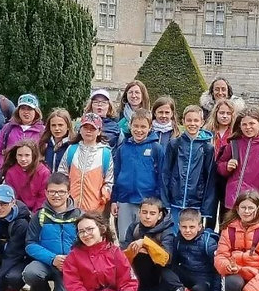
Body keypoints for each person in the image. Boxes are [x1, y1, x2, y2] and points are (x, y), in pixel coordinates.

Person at [59, 213, 146, 291]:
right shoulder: (73, 256)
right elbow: (73, 286)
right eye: (81, 231)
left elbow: (128, 279)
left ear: (102, 229)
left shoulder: (115, 252)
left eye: (90, 229)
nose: (85, 234)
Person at [23, 172, 83, 291]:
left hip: (71, 264)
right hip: (47, 263)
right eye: (52, 191)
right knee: (30, 272)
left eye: (61, 192)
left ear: (68, 193)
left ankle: (61, 290)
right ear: (45, 192)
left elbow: (88, 243)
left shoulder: (79, 215)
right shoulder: (39, 216)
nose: (56, 195)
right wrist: (53, 258)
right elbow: (30, 244)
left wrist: (71, 259)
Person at [217, 106, 259, 226]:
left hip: (253, 204)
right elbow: (219, 166)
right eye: (244, 124)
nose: (248, 127)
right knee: (229, 236)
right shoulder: (234, 144)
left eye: (251, 123)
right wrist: (226, 167)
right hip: (231, 202)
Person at [113, 109, 166, 245]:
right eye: (136, 126)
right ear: (130, 126)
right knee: (125, 238)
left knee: (145, 239)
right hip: (124, 200)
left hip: (147, 201)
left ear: (150, 128)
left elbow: (161, 176)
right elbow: (116, 173)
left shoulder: (156, 148)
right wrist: (114, 199)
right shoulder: (123, 148)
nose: (139, 130)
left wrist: (158, 200)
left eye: (143, 127)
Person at [162, 105, 217, 226]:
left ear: (202, 122)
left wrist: (206, 207)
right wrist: (166, 201)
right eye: (189, 120)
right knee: (174, 236)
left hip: (195, 203)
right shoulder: (174, 144)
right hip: (175, 201)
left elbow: (209, 179)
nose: (192, 123)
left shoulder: (207, 148)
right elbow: (165, 173)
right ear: (183, 121)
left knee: (191, 235)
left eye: (196, 120)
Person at [160, 209, 223, 291]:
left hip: (203, 278)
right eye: (184, 227)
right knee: (164, 270)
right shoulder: (177, 240)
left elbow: (218, 270)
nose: (187, 230)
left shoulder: (208, 242)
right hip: (185, 274)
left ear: (199, 226)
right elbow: (173, 264)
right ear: (179, 226)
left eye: (192, 227)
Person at [58, 112, 114, 214]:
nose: (88, 131)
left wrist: (105, 193)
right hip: (70, 208)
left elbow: (109, 180)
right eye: (85, 127)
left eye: (92, 128)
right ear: (80, 130)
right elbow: (62, 174)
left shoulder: (105, 153)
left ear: (99, 131)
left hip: (94, 210)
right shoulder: (72, 149)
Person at [124, 198, 175, 291]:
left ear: (159, 215)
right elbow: (123, 257)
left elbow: (167, 259)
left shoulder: (166, 231)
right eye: (144, 212)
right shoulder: (134, 228)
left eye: (152, 213)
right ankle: (135, 287)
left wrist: (145, 243)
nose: (147, 217)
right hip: (138, 271)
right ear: (139, 213)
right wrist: (134, 250)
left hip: (158, 273)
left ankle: (159, 290)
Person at [0, 94, 45, 173]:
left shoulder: (42, 131)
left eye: (29, 109)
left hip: (34, 175)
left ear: (36, 111)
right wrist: (3, 167)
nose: (26, 112)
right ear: (18, 110)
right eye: (23, 108)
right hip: (10, 174)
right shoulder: (8, 128)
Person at [2, 139, 51, 214]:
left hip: (39, 211)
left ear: (33, 156)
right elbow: (11, 196)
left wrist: (34, 214)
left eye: (27, 155)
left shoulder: (44, 172)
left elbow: (43, 197)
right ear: (15, 156)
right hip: (18, 211)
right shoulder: (11, 172)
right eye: (20, 155)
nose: (23, 159)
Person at [41, 108, 73, 172]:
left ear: (68, 127)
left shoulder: (72, 146)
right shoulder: (44, 144)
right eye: (53, 125)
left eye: (60, 125)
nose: (57, 128)